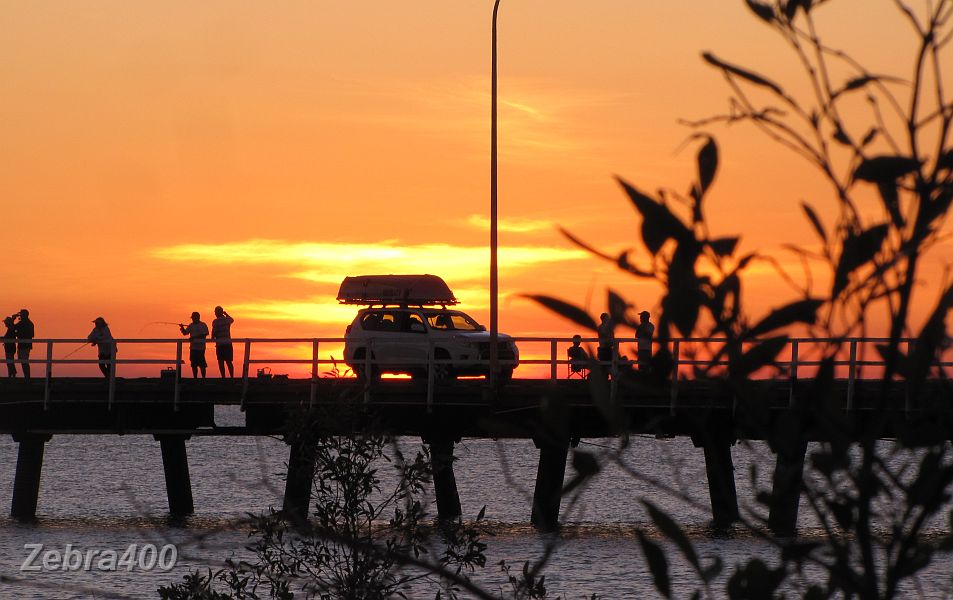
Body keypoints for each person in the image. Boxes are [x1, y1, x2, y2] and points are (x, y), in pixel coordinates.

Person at [179, 312, 209, 378]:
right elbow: (185, 333)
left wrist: (194, 337)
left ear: (198, 317)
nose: (192, 319)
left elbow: (205, 334)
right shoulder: (191, 325)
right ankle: (195, 378)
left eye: (193, 317)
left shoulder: (203, 325)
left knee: (202, 364)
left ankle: (203, 378)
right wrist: (182, 328)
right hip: (193, 348)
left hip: (201, 348)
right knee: (193, 365)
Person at [211, 306, 235, 378]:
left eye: (215, 312)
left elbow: (214, 332)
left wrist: (212, 337)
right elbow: (232, 319)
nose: (215, 313)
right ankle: (231, 377)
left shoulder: (215, 321)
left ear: (217, 312)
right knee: (229, 362)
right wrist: (226, 314)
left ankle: (223, 377)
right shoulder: (227, 320)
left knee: (220, 362)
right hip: (228, 343)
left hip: (220, 344)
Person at [13, 309, 34, 380]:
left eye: (21, 315)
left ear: (24, 315)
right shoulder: (29, 323)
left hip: (24, 345)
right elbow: (32, 334)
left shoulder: (23, 323)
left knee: (24, 361)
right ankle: (26, 377)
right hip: (24, 345)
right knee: (23, 361)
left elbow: (13, 328)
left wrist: (12, 319)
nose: (20, 316)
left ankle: (27, 377)